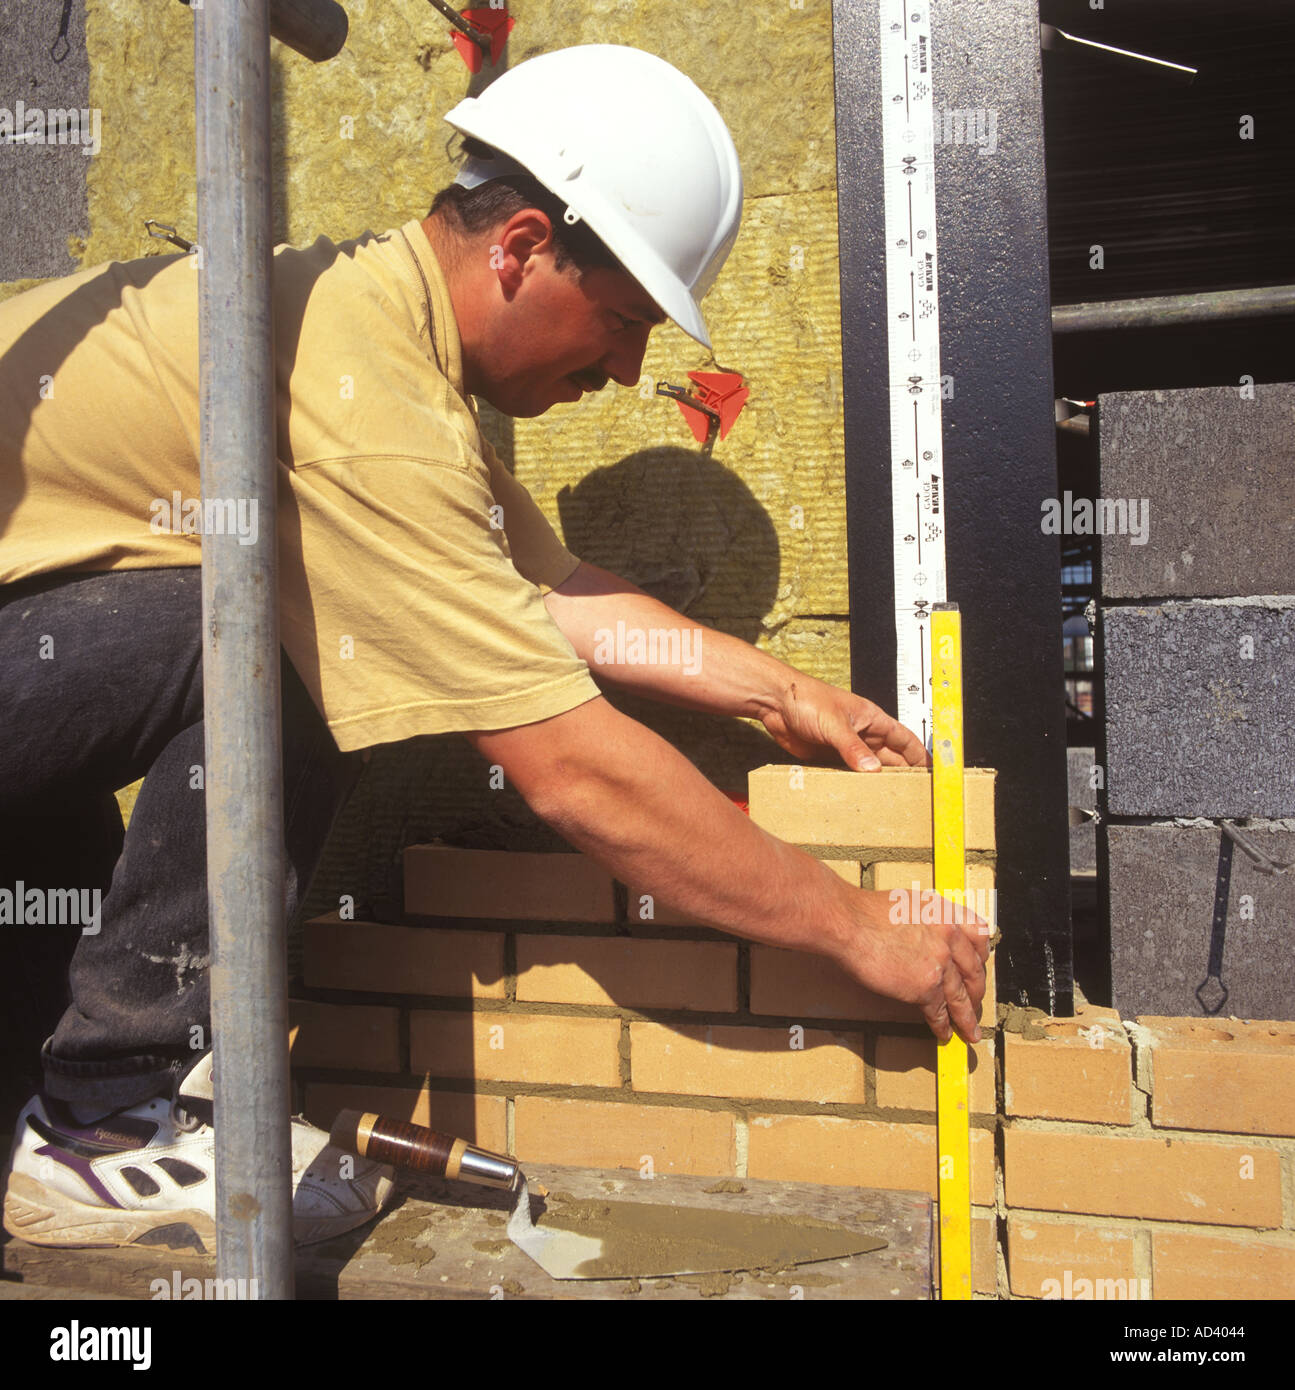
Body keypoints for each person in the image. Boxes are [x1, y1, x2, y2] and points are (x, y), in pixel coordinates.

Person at [0, 45, 988, 1252]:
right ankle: (104, 1130)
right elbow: (569, 768)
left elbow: (554, 593)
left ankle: (76, 1101)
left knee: (291, 608)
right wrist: (857, 928)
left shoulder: (374, 341)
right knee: (296, 630)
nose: (626, 370)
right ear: (519, 245)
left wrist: (784, 695)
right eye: (623, 321)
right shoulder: (363, 406)